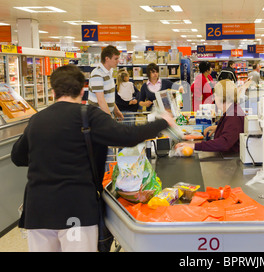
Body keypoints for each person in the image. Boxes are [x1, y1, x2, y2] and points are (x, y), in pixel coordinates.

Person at [11, 65, 174, 252]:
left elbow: (18, 156)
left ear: (53, 90)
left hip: (38, 210)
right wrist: (163, 122)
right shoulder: (88, 116)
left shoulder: (37, 119)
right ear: (83, 90)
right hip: (76, 208)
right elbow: (127, 136)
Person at [178, 80, 244, 153]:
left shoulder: (234, 116)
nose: (214, 98)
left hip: (231, 161)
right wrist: (220, 127)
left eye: (215, 95)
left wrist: (194, 145)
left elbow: (224, 143)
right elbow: (234, 130)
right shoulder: (232, 111)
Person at [88, 45, 124, 120]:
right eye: (116, 59)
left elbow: (107, 96)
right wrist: (110, 120)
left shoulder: (108, 72)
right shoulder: (97, 74)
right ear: (107, 58)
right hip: (98, 117)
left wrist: (116, 110)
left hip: (104, 116)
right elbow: (101, 100)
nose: (118, 61)